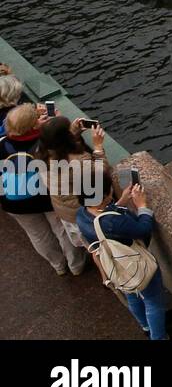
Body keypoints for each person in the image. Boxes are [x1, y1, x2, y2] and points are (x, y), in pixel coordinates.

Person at [2, 104, 88, 276]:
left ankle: (58, 265)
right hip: (44, 196)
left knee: (38, 235)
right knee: (61, 230)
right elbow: (64, 150)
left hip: (12, 199)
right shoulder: (43, 144)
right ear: (34, 125)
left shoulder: (3, 143)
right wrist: (59, 124)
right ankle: (76, 265)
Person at [78, 179, 169, 338]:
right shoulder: (113, 221)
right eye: (109, 192)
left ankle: (146, 327)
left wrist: (121, 202)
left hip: (115, 266)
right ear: (105, 197)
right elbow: (143, 229)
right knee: (153, 302)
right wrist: (142, 206)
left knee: (132, 297)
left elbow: (103, 217)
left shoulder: (82, 214)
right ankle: (159, 337)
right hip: (135, 265)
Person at [39, 115, 114, 271]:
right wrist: (98, 147)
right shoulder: (77, 161)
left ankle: (80, 266)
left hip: (65, 212)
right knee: (98, 248)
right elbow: (101, 173)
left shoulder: (41, 152)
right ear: (65, 139)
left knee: (87, 244)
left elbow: (58, 147)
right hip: (82, 214)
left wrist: (73, 132)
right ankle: (108, 273)